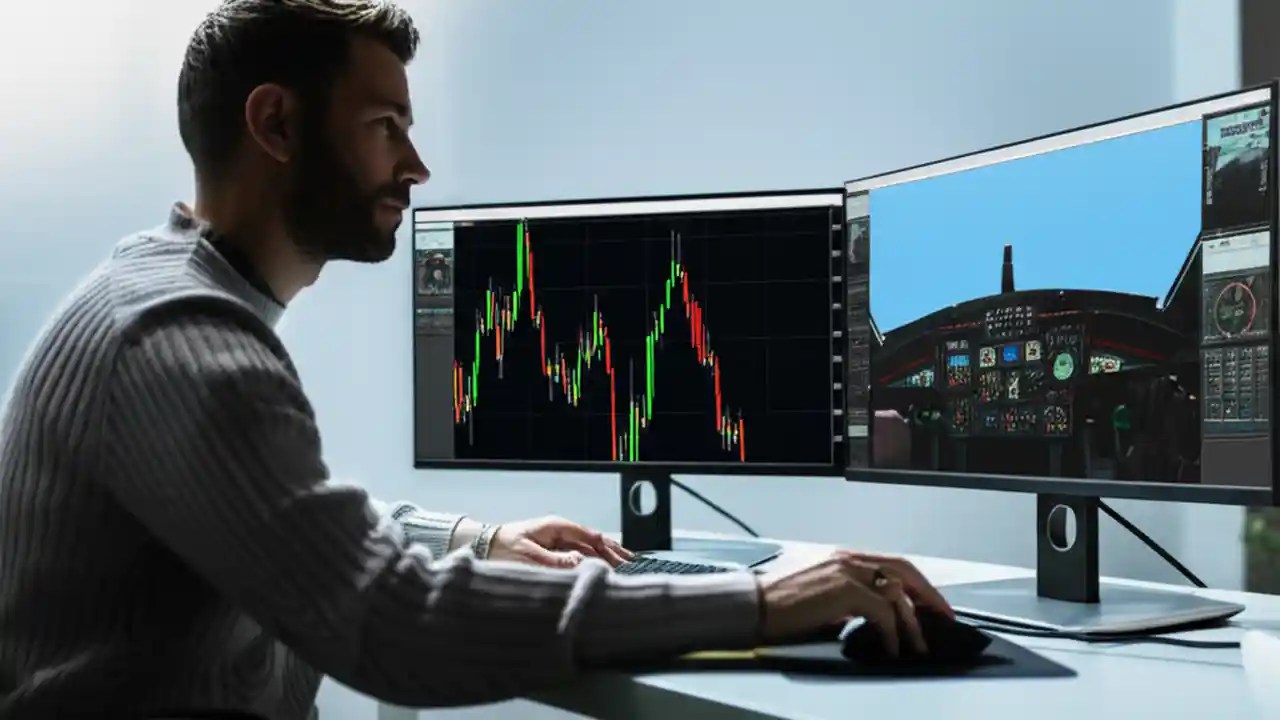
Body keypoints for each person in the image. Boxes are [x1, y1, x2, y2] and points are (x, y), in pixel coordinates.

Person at [0, 1, 951, 718]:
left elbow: (280, 526)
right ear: (277, 125)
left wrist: (474, 539)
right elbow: (384, 622)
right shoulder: (178, 340)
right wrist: (763, 602)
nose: (416, 166)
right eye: (385, 126)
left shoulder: (162, 299)